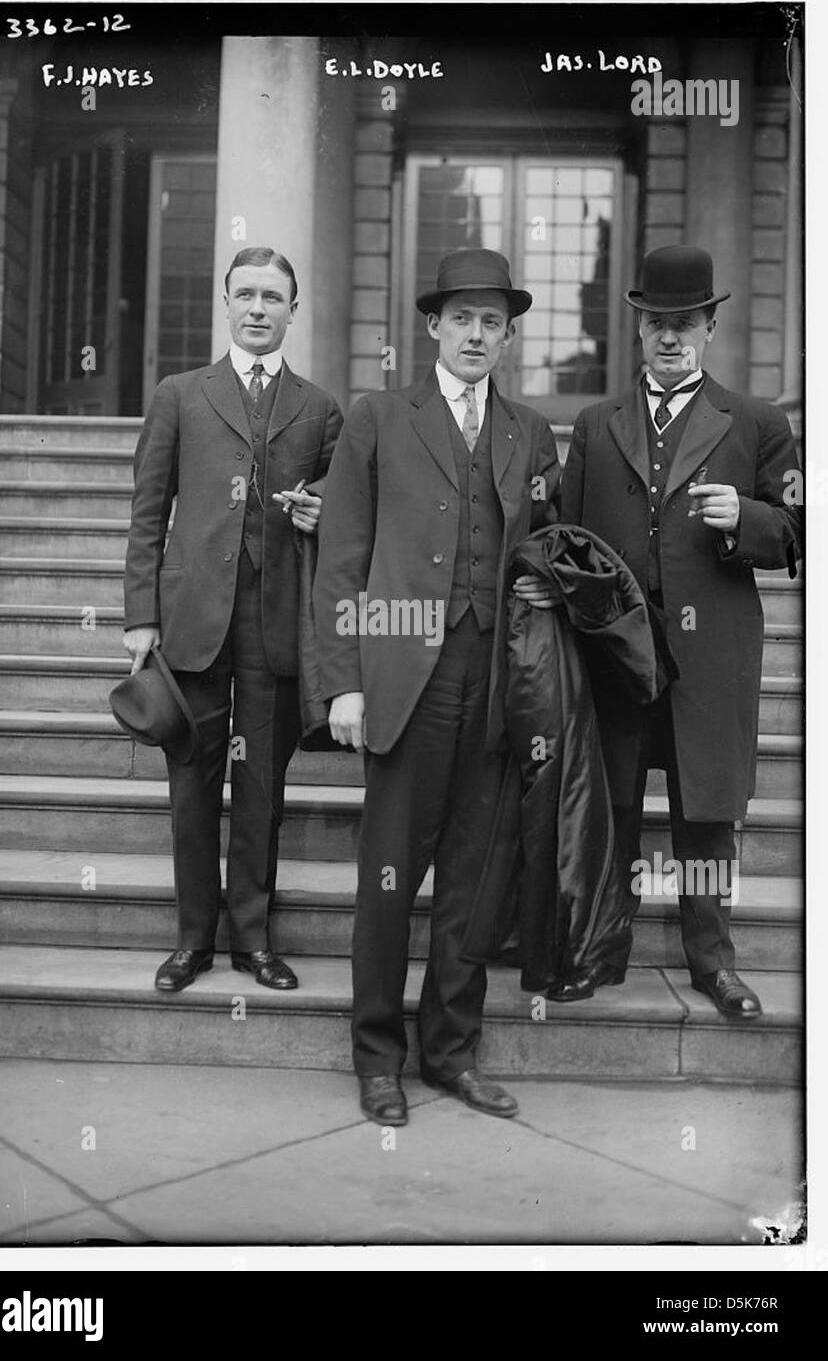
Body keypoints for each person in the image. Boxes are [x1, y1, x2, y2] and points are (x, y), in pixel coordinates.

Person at [314, 248, 561, 1126]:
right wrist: (343, 684)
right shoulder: (380, 416)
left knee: (475, 879)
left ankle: (451, 1052)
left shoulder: (529, 432)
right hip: (401, 675)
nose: (476, 334)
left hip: (496, 683)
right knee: (388, 877)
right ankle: (376, 1056)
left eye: (493, 322)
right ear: (433, 326)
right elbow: (340, 558)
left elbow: (547, 544)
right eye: (462, 318)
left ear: (507, 336)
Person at [560, 244, 802, 1017]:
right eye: (657, 323)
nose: (670, 337)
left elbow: (797, 530)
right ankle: (607, 946)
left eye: (685, 323)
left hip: (711, 651)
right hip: (619, 649)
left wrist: (749, 522)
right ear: (638, 328)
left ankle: (713, 962)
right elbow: (568, 534)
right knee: (616, 805)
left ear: (709, 326)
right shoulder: (597, 425)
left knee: (705, 813)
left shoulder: (756, 421)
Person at [123, 246, 343, 993]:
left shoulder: (318, 408)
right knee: (192, 787)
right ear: (226, 303)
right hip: (191, 622)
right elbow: (147, 514)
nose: (257, 309)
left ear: (292, 310)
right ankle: (193, 940)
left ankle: (252, 938)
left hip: (275, 622)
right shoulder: (181, 395)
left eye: (272, 297)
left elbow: (346, 511)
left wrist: (321, 512)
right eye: (245, 294)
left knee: (261, 790)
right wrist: (138, 619)